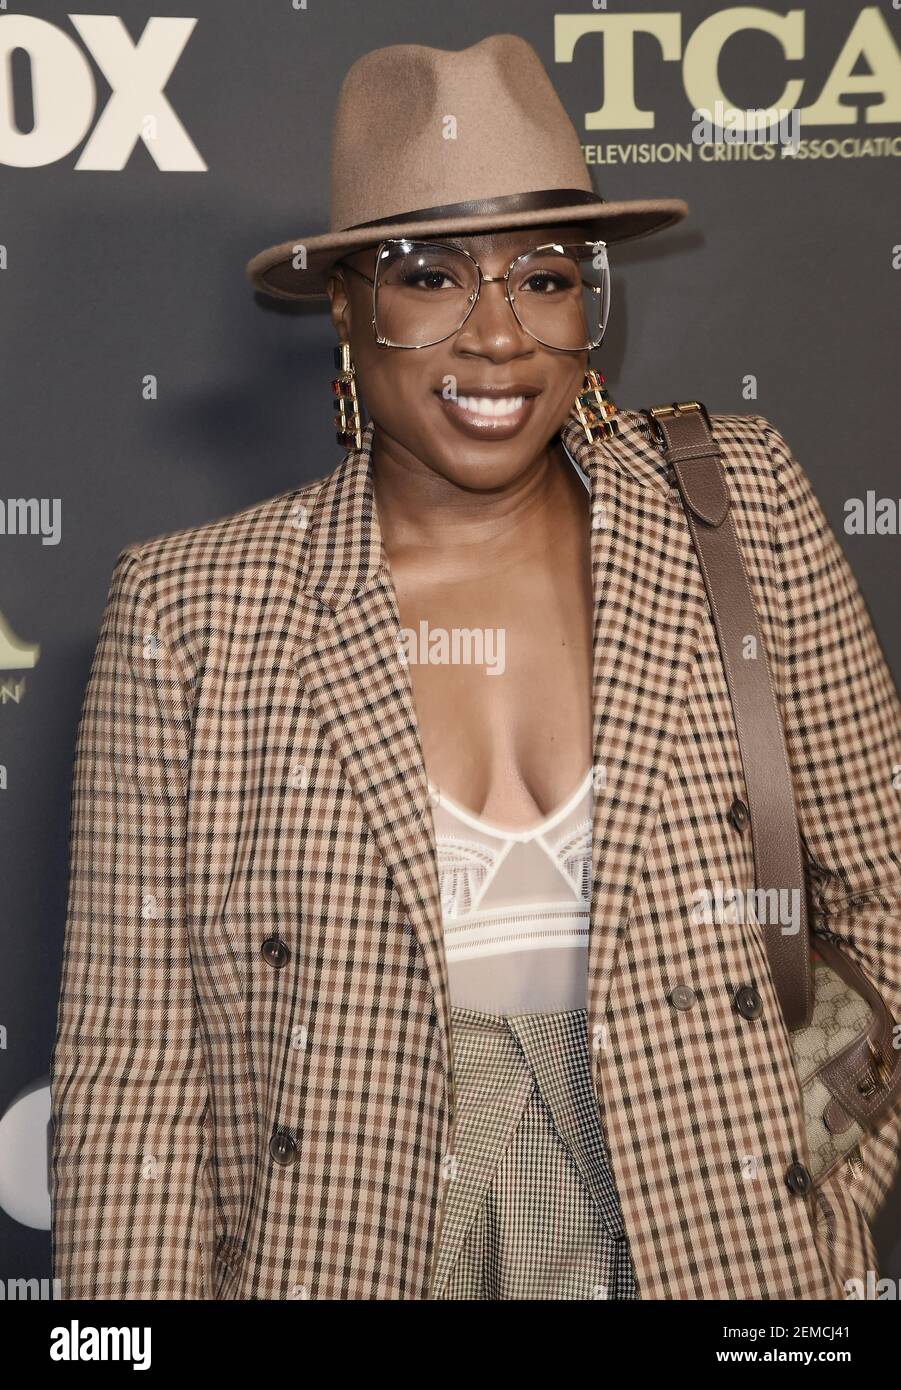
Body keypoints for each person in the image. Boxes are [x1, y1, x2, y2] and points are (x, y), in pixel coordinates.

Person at [49, 33, 901, 1300]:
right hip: (347, 1237)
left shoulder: (737, 508)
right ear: (344, 307)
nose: (499, 336)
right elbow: (132, 1068)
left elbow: (879, 892)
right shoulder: (191, 608)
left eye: (545, 278)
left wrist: (806, 1170)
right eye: (430, 276)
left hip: (705, 1239)